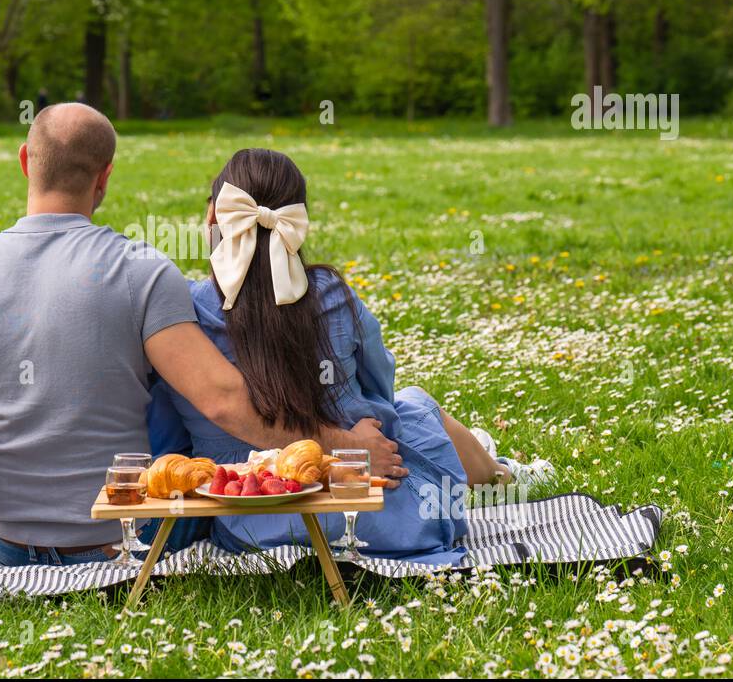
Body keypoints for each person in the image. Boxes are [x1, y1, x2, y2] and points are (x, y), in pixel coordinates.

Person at [0, 105, 404, 567]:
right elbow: (220, 400)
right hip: (125, 539)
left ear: (25, 163)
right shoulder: (142, 272)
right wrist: (342, 446)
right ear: (104, 176)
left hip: (4, 546)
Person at [147, 148, 554, 564]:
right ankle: (502, 475)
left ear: (213, 217)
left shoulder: (182, 315)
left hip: (250, 518)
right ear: (297, 224)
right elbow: (381, 392)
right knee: (414, 407)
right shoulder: (330, 295)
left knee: (411, 410)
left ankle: (502, 471)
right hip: (377, 511)